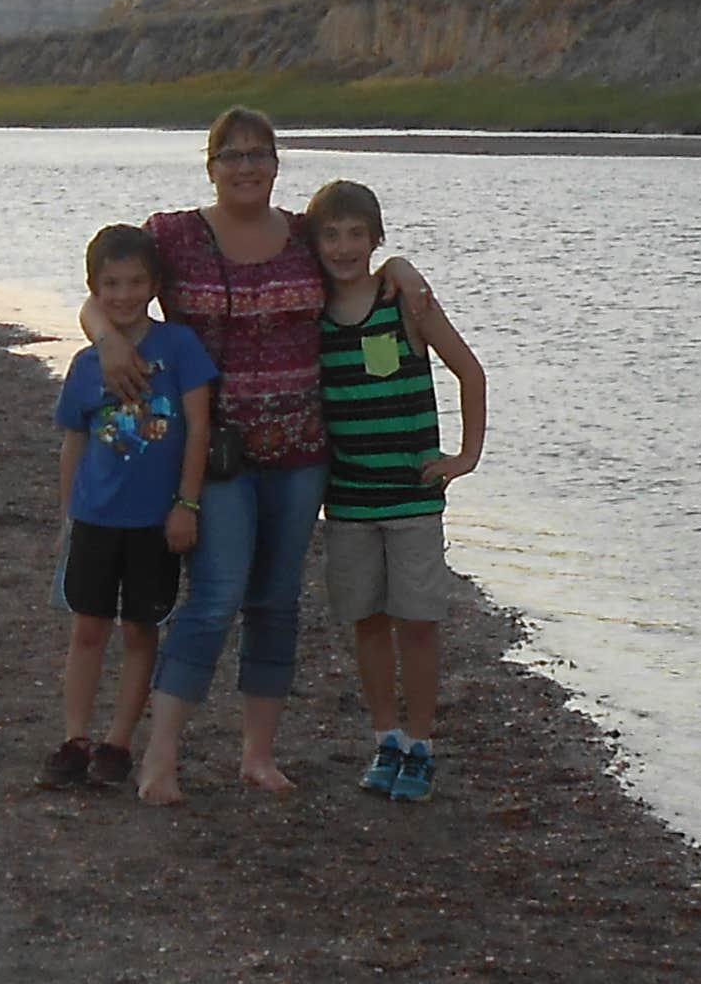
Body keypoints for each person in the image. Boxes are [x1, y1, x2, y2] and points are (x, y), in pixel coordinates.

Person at [81, 109, 437, 806]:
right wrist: (106, 339)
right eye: (232, 155)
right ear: (209, 165)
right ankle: (160, 758)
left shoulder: (306, 236)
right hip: (216, 454)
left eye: (259, 154)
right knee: (214, 598)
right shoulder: (175, 235)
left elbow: (364, 261)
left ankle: (258, 756)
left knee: (276, 602)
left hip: (303, 452)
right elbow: (106, 290)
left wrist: (400, 264)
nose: (246, 167)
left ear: (277, 164)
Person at [302, 178, 485, 799]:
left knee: (420, 622)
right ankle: (385, 739)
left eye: (357, 234)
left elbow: (470, 372)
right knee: (368, 620)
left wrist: (465, 456)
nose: (345, 246)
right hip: (349, 501)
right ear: (315, 241)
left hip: (411, 500)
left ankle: (422, 742)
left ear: (377, 240)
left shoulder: (405, 300)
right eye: (331, 234)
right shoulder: (312, 313)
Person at [45, 224, 215, 789]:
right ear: (93, 288)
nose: (123, 295)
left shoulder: (179, 349)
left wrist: (186, 504)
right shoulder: (88, 364)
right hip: (96, 517)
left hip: (154, 519)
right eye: (110, 284)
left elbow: (197, 430)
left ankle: (118, 743)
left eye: (135, 282)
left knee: (142, 631)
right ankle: (75, 738)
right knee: (87, 628)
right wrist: (68, 514)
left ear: (155, 285)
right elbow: (74, 439)